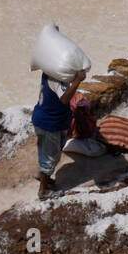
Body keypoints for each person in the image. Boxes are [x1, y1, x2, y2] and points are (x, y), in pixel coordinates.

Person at [31, 68, 86, 199]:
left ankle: (42, 175)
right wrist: (78, 80)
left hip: (44, 119)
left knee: (47, 150)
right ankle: (43, 190)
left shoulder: (49, 72)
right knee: (51, 156)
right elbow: (64, 99)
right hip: (50, 123)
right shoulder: (56, 80)